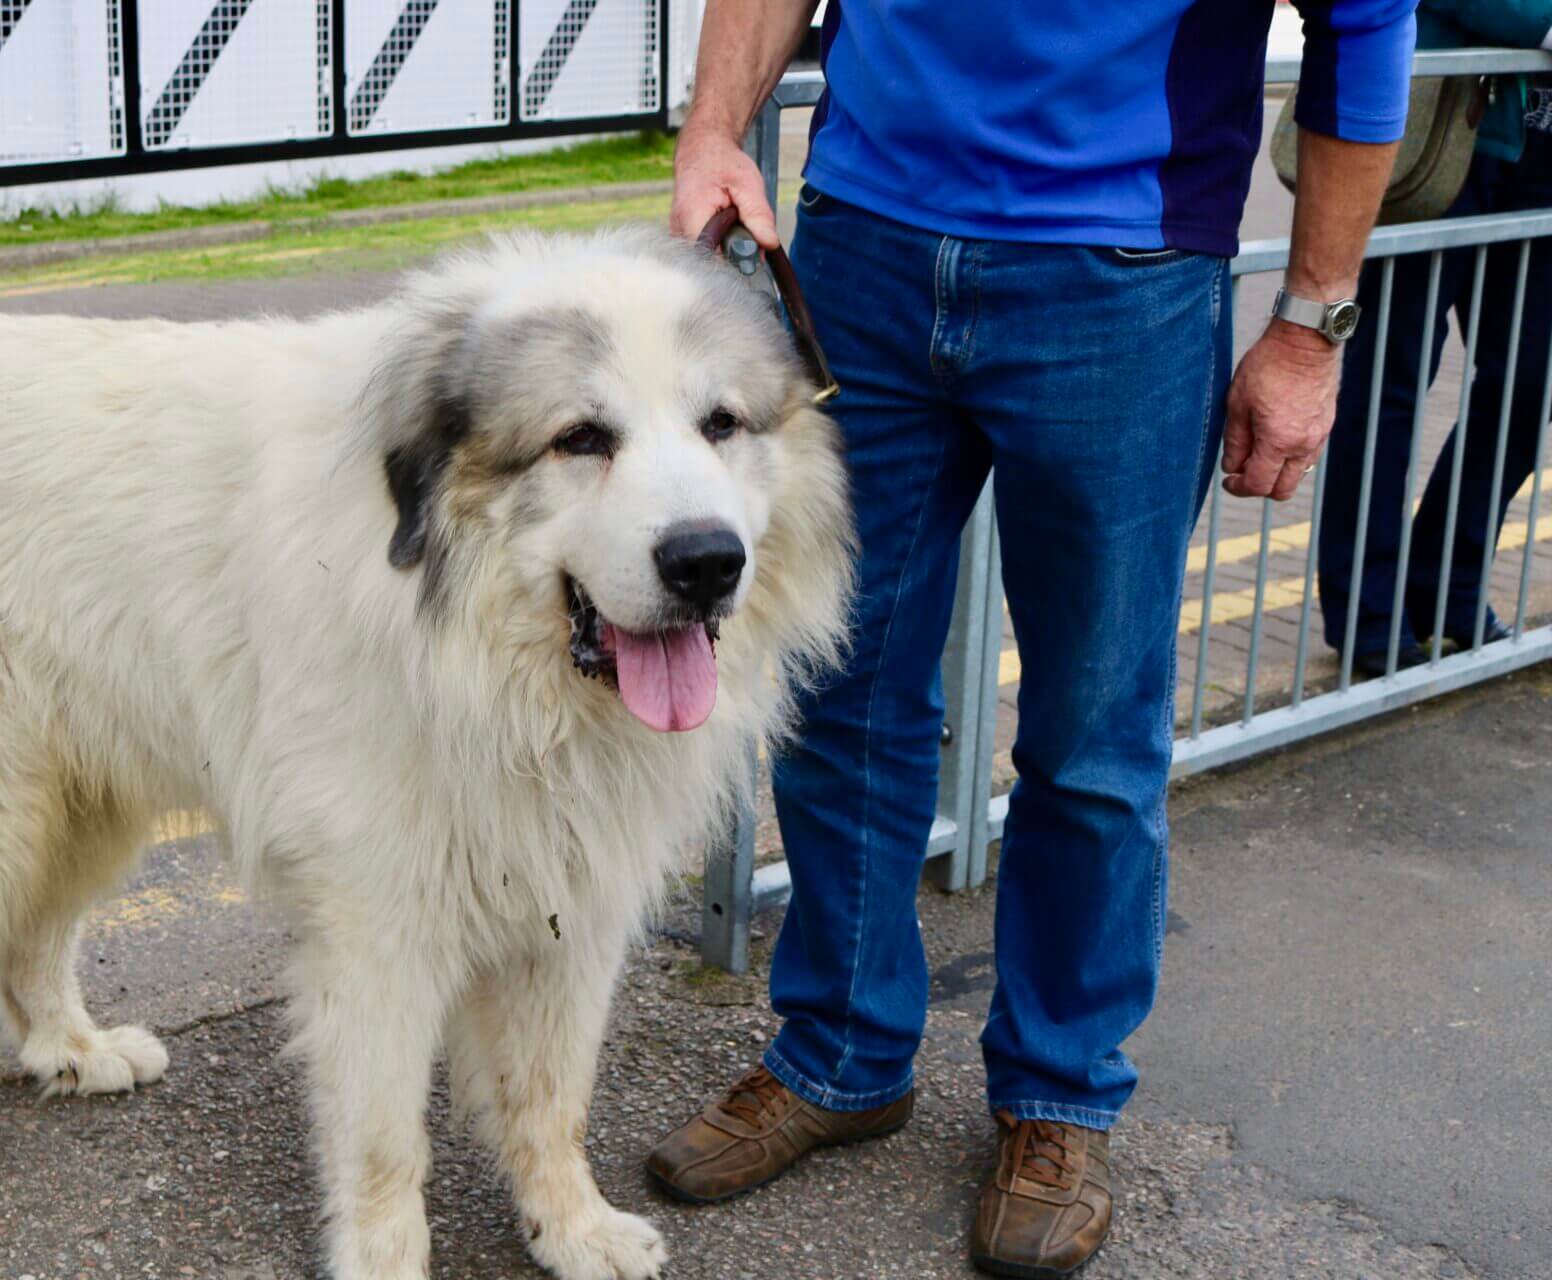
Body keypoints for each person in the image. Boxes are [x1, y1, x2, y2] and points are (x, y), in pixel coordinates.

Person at [647, 1, 1416, 1275]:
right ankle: (839, 1052)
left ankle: (1058, 1098)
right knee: (844, 691)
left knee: (1092, 728)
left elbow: (1367, 23)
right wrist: (714, 131)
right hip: (860, 246)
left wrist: (1311, 322)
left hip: (1121, 271)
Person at [1318, 0, 1552, 676]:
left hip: (1538, 155)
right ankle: (1368, 612)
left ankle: (1446, 589)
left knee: (1526, 383)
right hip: (1442, 133)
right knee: (1392, 377)